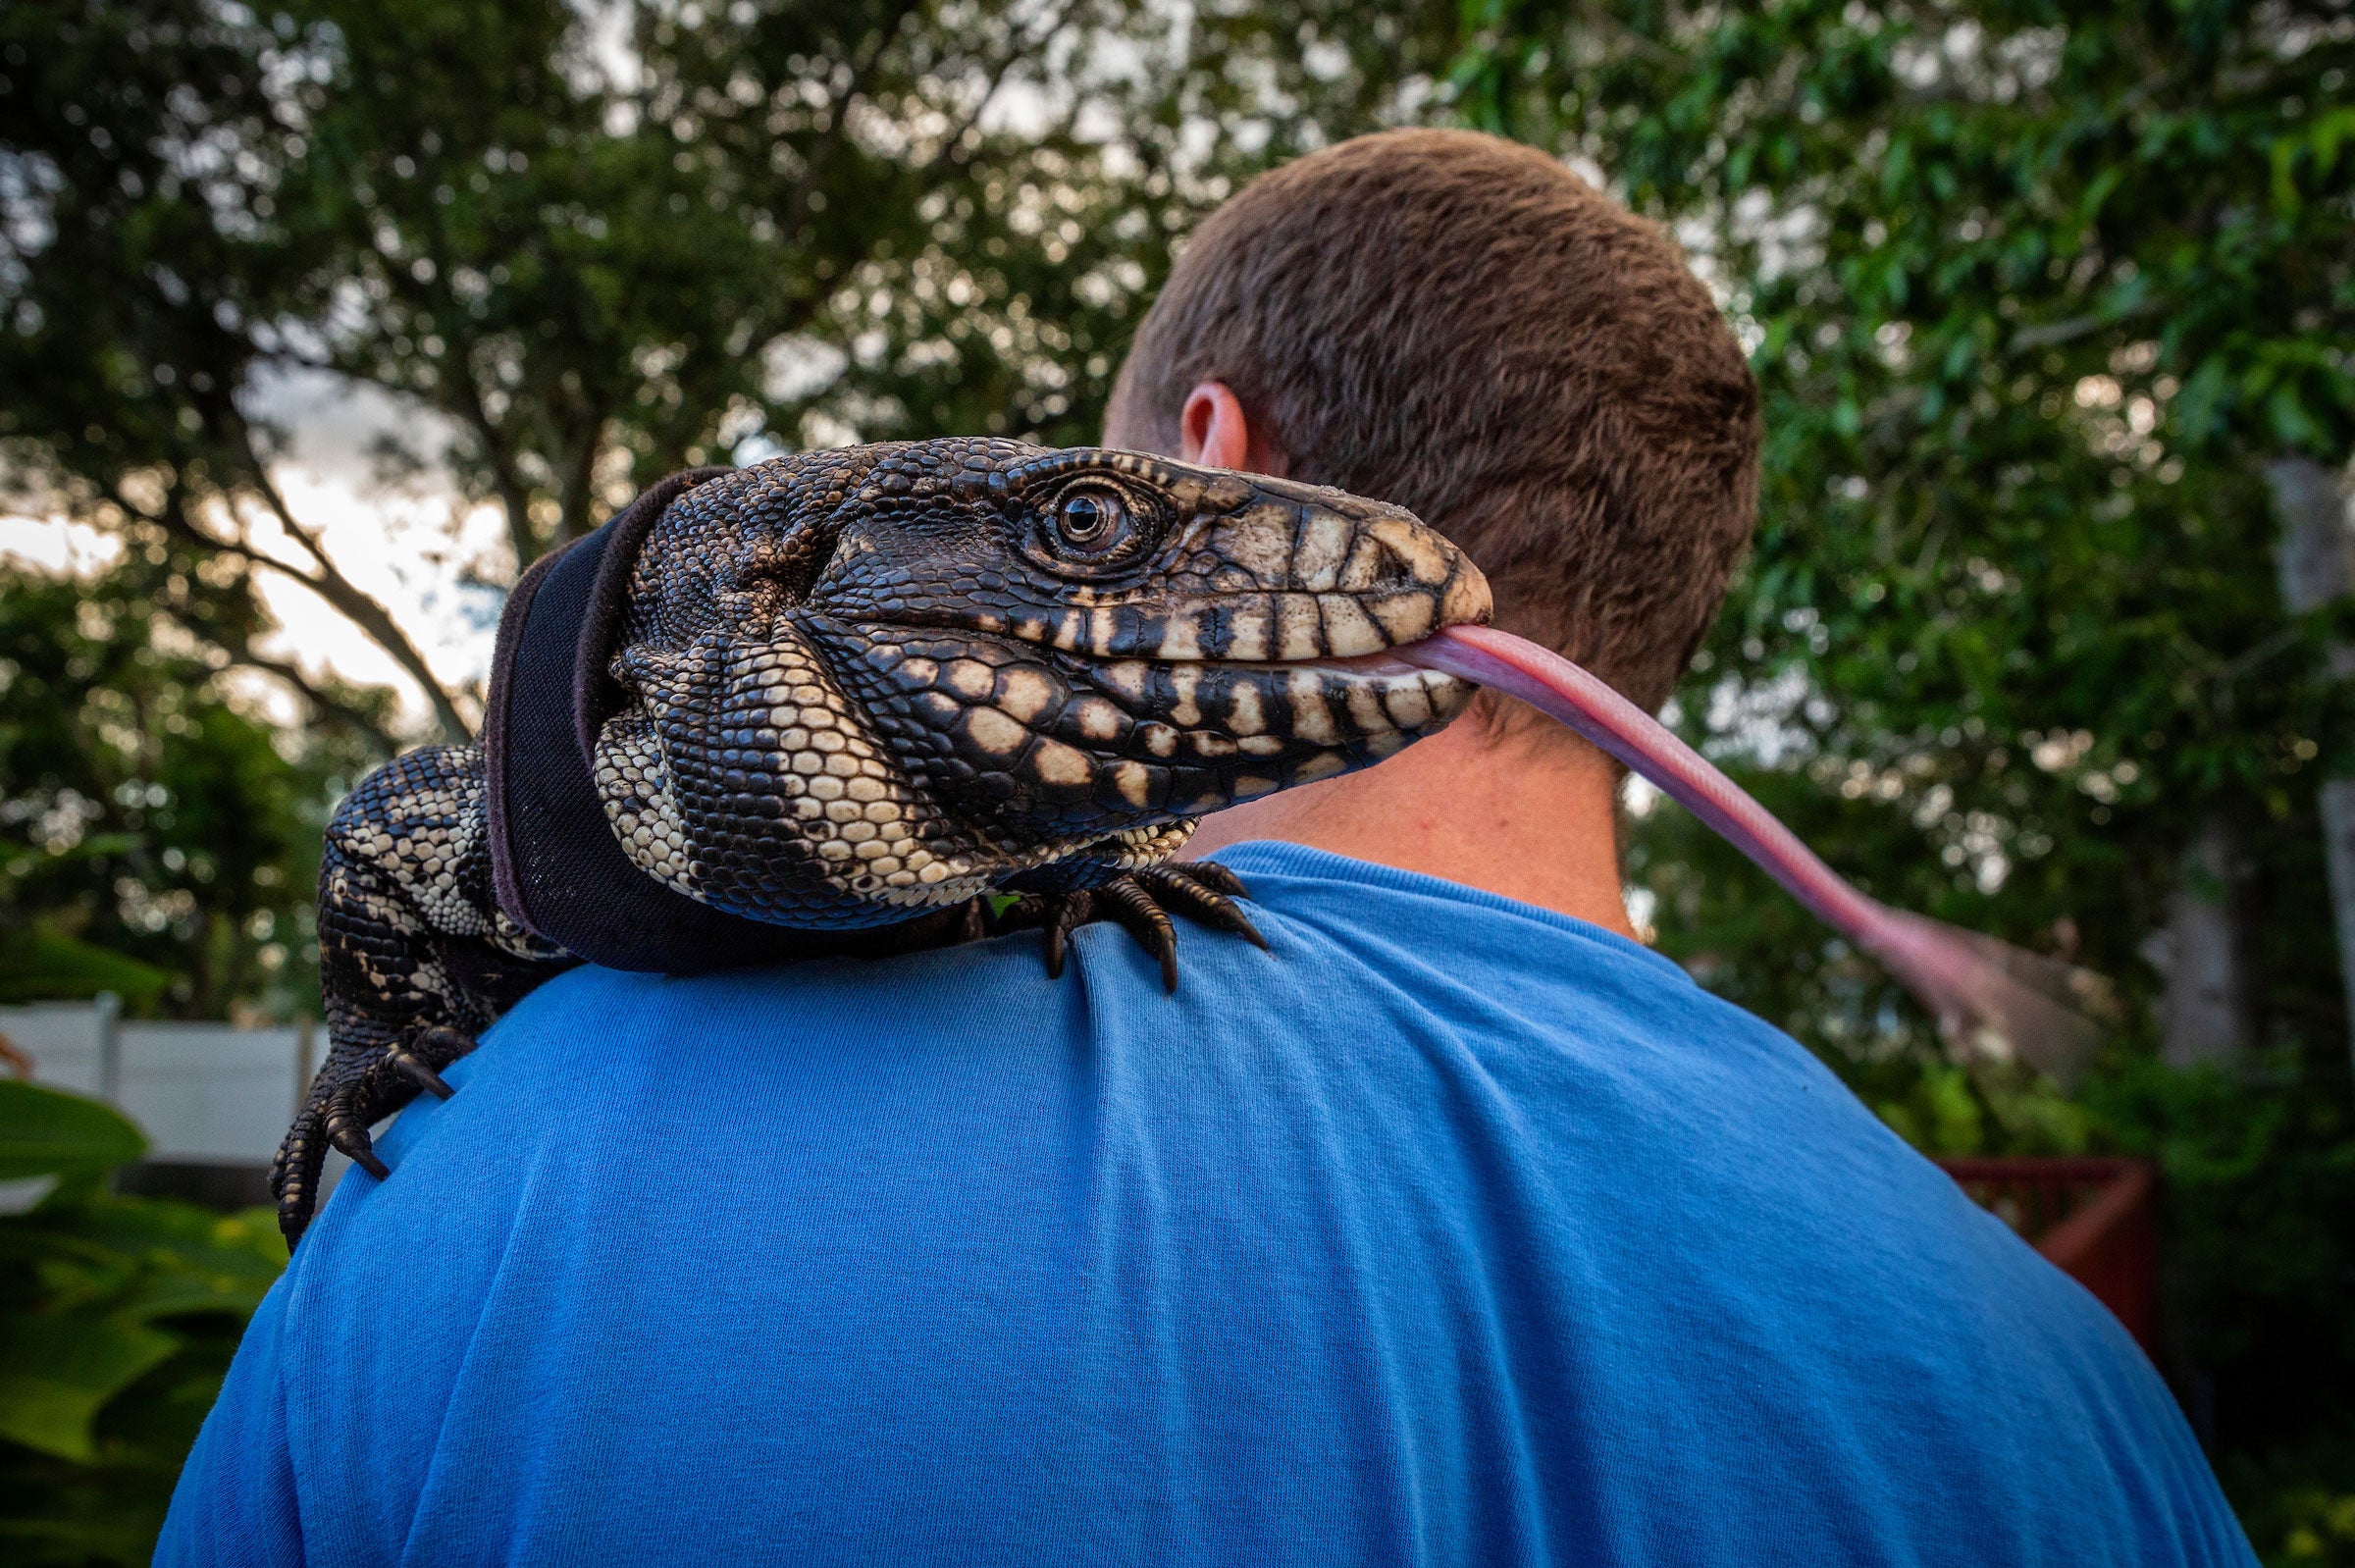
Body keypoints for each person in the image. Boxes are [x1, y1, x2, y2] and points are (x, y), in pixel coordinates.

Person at [159, 130, 2253, 1565]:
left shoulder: (516, 1164)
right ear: (1661, 612)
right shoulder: (2072, 1393)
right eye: (1077, 535)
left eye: (1106, 504)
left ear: (1207, 436)